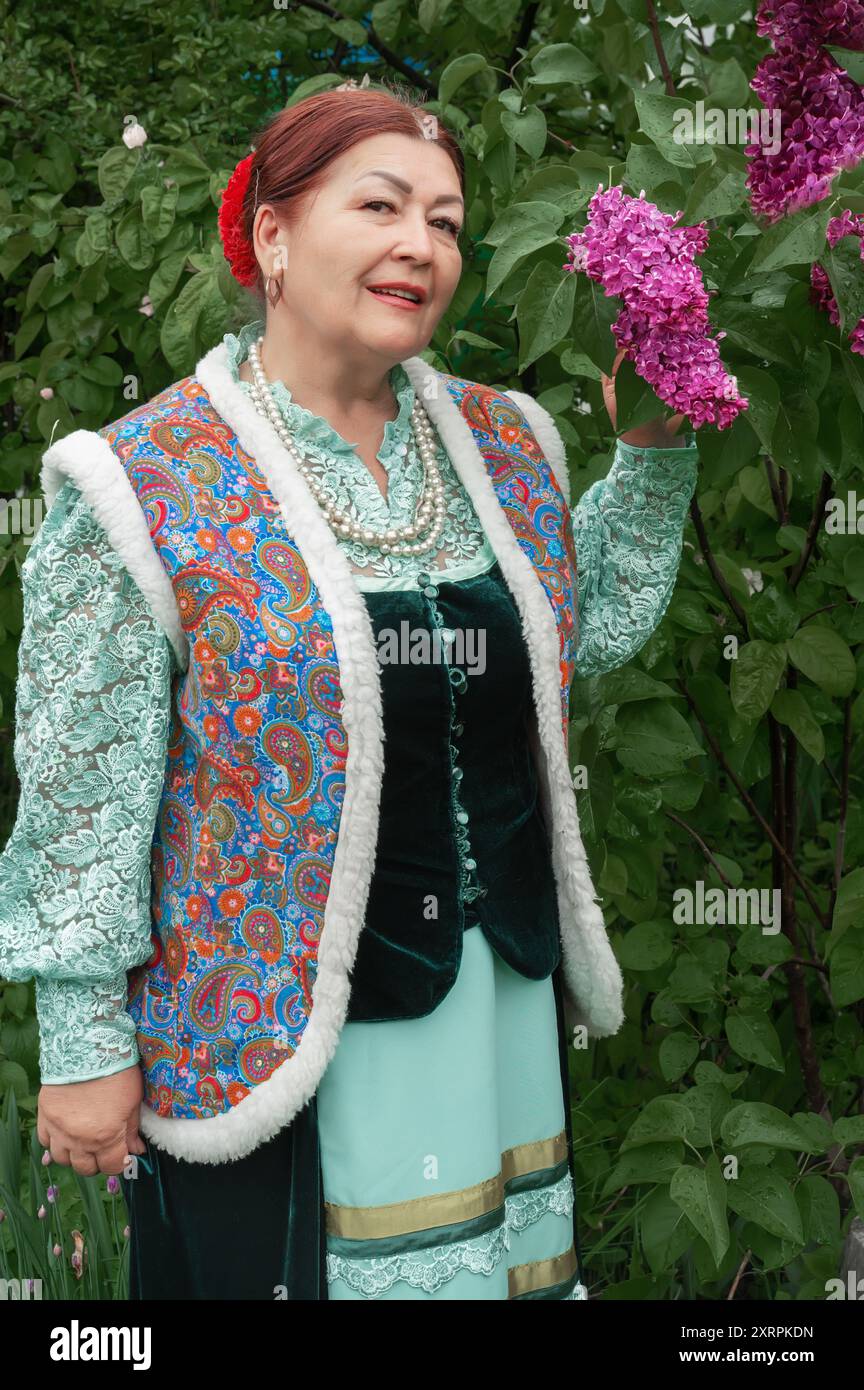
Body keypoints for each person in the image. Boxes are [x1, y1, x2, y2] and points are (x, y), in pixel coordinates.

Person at [0, 82, 699, 1300]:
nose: (419, 245)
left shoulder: (508, 441)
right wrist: (81, 1043)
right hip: (279, 1040)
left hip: (492, 1011)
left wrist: (654, 436)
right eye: (379, 205)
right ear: (271, 235)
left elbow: (584, 637)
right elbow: (82, 794)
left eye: (445, 220)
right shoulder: (138, 482)